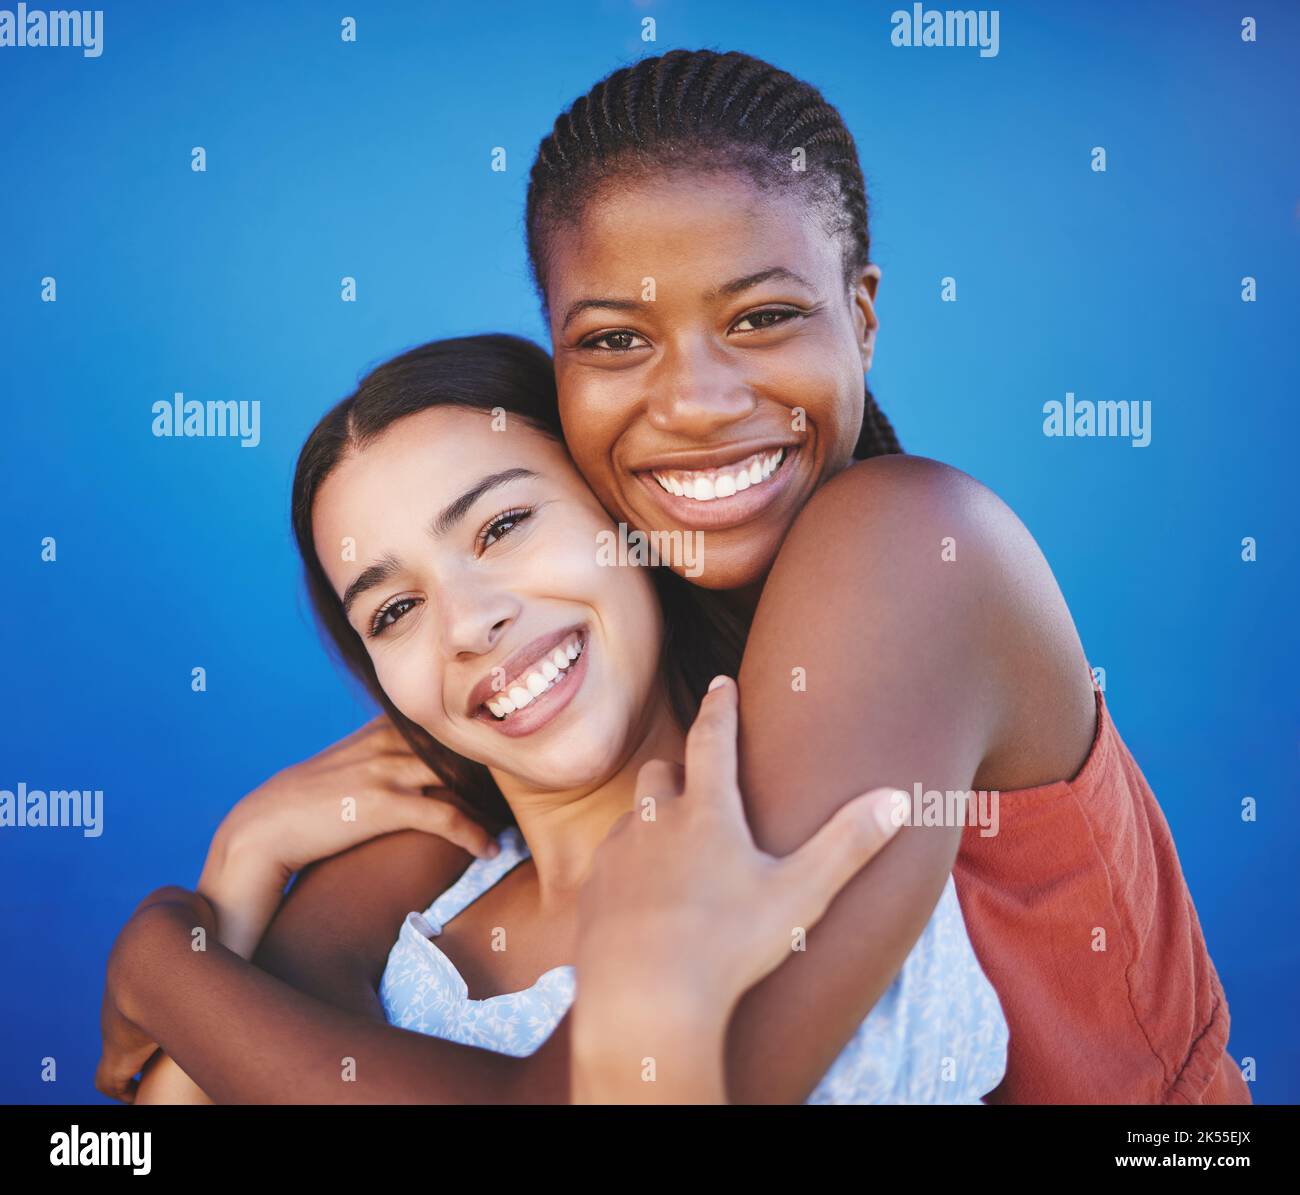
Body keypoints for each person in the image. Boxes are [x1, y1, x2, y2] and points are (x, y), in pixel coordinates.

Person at [101, 335, 1006, 1105]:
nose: (467, 624)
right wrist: (241, 863)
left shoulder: (814, 791)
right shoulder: (405, 901)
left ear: (628, 517)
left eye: (501, 526)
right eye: (393, 611)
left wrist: (160, 962)